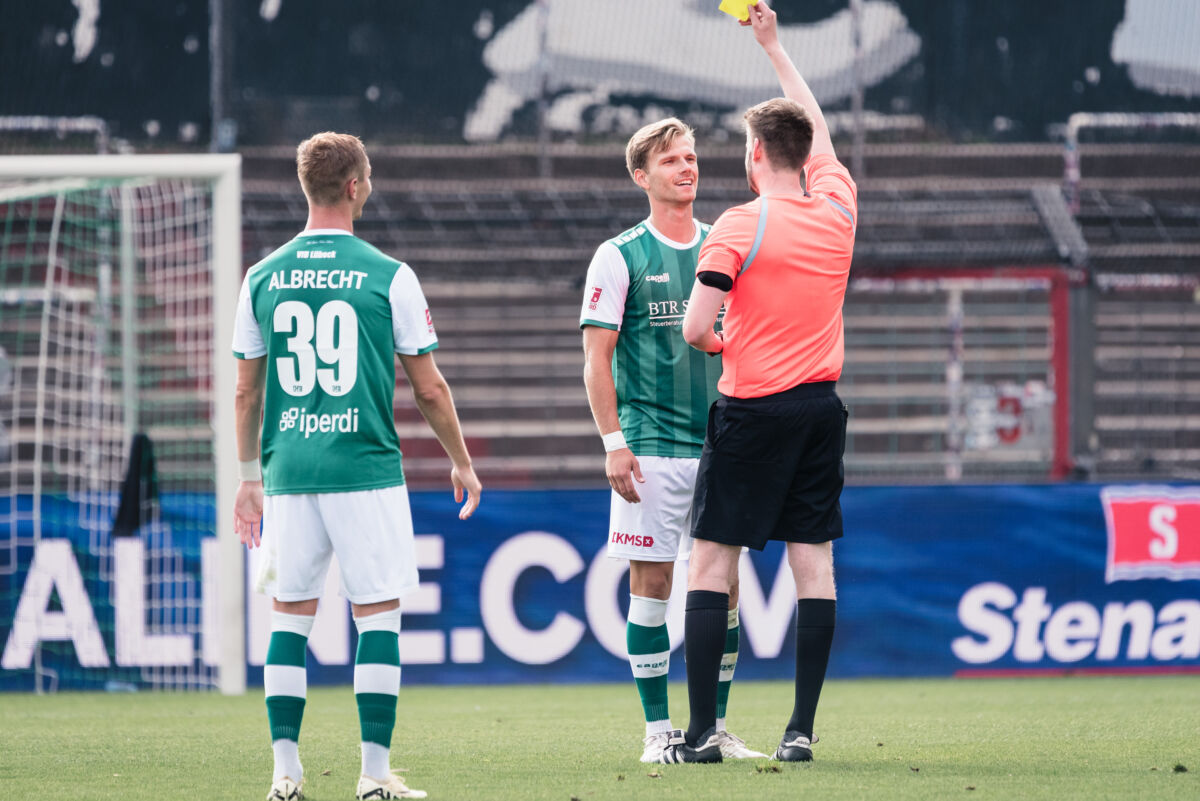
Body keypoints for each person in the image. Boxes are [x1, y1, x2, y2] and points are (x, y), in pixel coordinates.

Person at [232, 131, 482, 800]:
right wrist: (461, 460)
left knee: (290, 618)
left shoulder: (261, 276)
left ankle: (285, 774)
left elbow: (245, 390)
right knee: (378, 617)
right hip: (365, 470)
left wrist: (248, 478)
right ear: (354, 186)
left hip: (288, 472)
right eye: (366, 179)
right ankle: (373, 776)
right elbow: (429, 387)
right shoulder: (388, 274)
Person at [663, 0, 857, 764]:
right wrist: (776, 51)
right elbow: (819, 130)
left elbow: (694, 327)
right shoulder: (838, 208)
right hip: (820, 408)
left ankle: (704, 732)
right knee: (814, 564)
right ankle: (801, 729)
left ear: (753, 155)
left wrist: (726, 338)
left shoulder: (739, 225)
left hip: (752, 411)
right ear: (806, 156)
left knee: (713, 560)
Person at [580, 118, 764, 763]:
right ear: (641, 176)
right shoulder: (620, 253)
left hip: (724, 445)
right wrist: (612, 441)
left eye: (691, 158)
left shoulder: (727, 242)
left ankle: (710, 728)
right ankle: (658, 733)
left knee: (726, 592)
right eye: (671, 162)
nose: (687, 169)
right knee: (652, 586)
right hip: (651, 446)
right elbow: (596, 359)